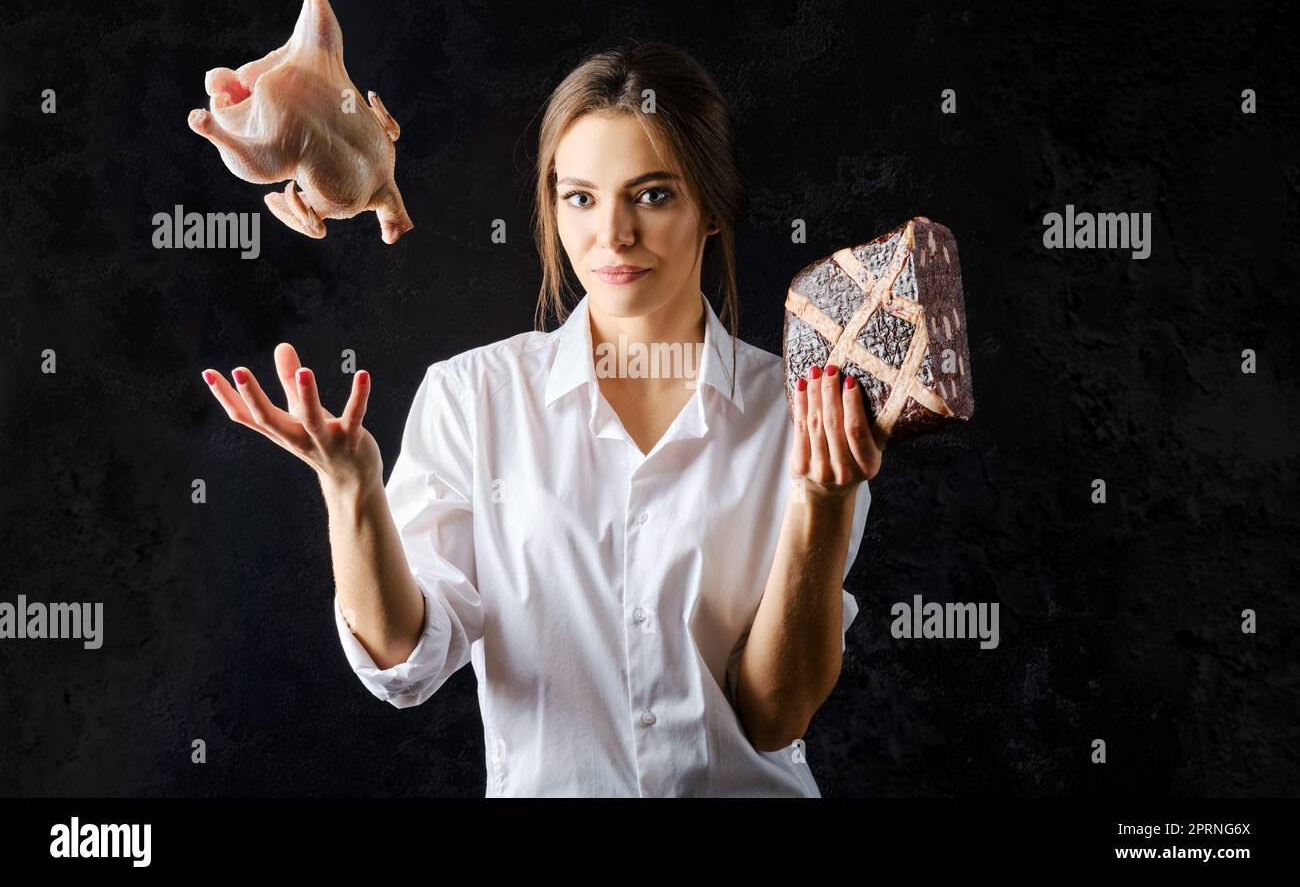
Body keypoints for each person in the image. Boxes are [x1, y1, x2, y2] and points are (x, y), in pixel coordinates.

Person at [200, 41, 884, 797]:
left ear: (712, 206)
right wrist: (351, 488)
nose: (613, 236)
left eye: (652, 195)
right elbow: (405, 661)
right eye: (580, 197)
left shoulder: (801, 414)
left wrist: (822, 500)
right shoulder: (473, 398)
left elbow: (775, 714)